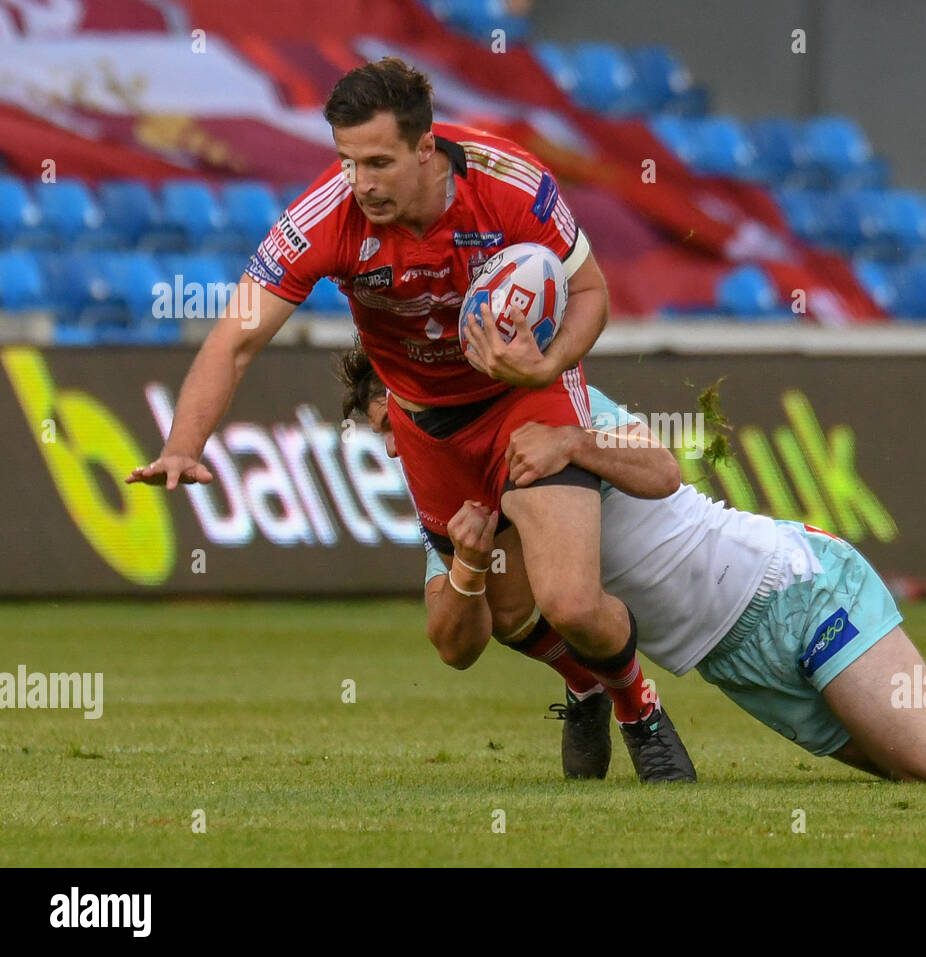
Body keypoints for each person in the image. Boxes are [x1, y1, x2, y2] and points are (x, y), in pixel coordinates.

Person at [126, 57, 694, 782]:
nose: (360, 182)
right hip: (427, 424)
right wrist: (184, 442)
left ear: (427, 148)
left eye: (378, 161)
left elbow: (590, 293)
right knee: (497, 623)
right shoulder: (326, 214)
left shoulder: (510, 184)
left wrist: (547, 370)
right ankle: (583, 684)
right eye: (346, 160)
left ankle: (638, 708)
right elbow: (234, 336)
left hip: (524, 396)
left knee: (573, 601)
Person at [341, 347, 926, 783]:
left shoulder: (548, 409)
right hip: (738, 665)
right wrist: (463, 559)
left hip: (790, 587)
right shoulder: (449, 506)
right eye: (392, 435)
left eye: (404, 419)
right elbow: (455, 640)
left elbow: (663, 469)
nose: (406, 441)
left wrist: (576, 441)